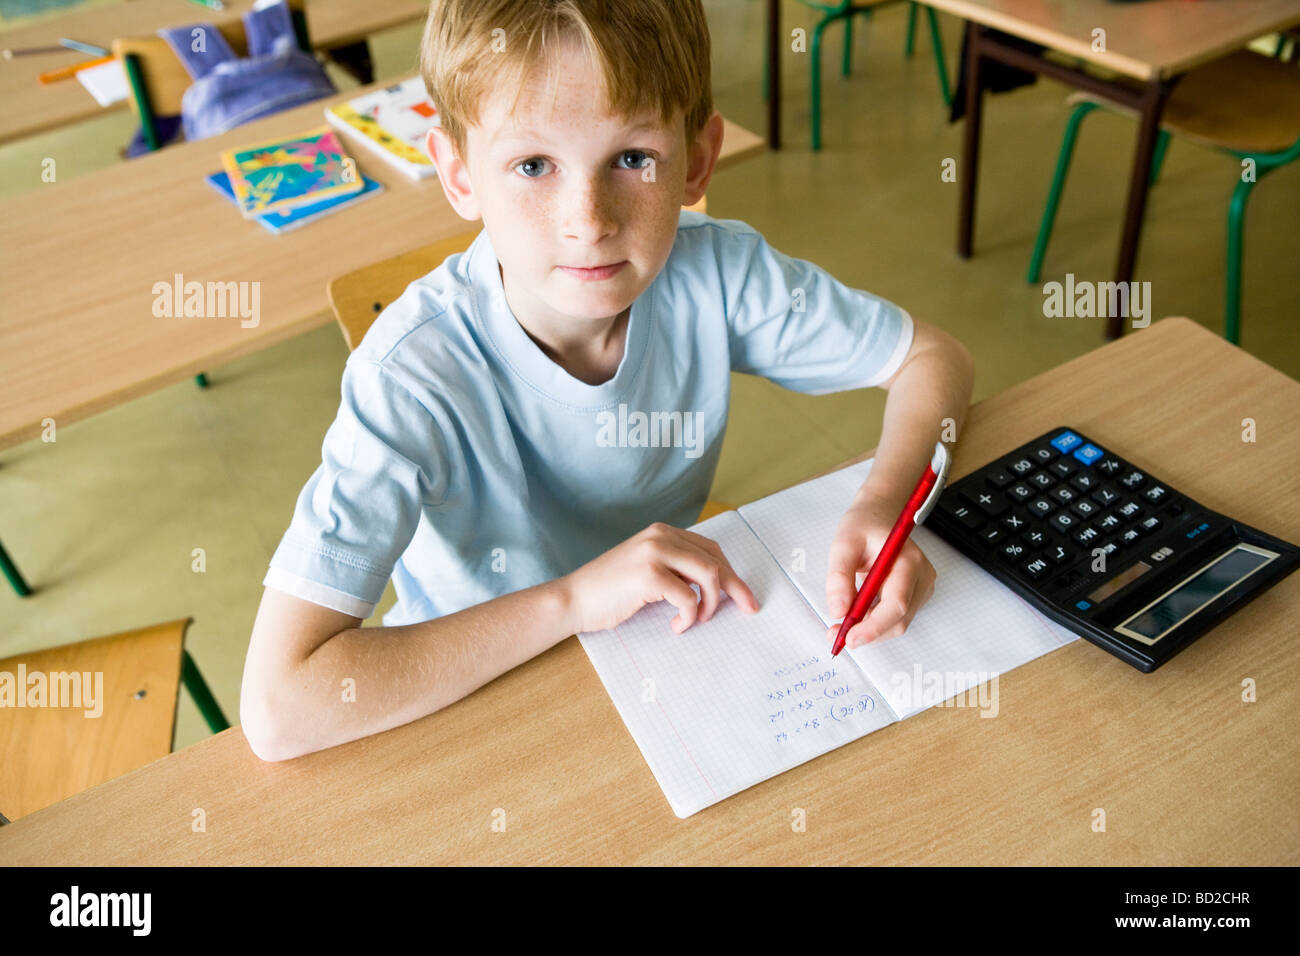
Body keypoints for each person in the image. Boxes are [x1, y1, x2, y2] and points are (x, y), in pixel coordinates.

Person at [240, 0, 974, 762]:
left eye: (632, 158)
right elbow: (280, 704)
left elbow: (933, 359)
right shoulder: (409, 377)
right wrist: (576, 599)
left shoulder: (717, 271)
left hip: (668, 648)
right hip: (479, 687)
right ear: (459, 175)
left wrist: (887, 503)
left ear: (695, 161)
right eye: (532, 165)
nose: (588, 219)